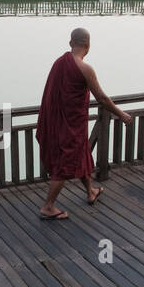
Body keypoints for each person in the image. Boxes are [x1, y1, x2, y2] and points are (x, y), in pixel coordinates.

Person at [36, 28, 132, 220]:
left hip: (63, 122)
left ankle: (90, 191)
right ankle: (48, 206)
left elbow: (50, 95)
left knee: (81, 155)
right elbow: (102, 99)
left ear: (71, 43)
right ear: (88, 45)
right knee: (64, 164)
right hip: (70, 125)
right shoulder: (85, 69)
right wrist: (121, 114)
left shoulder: (59, 63)